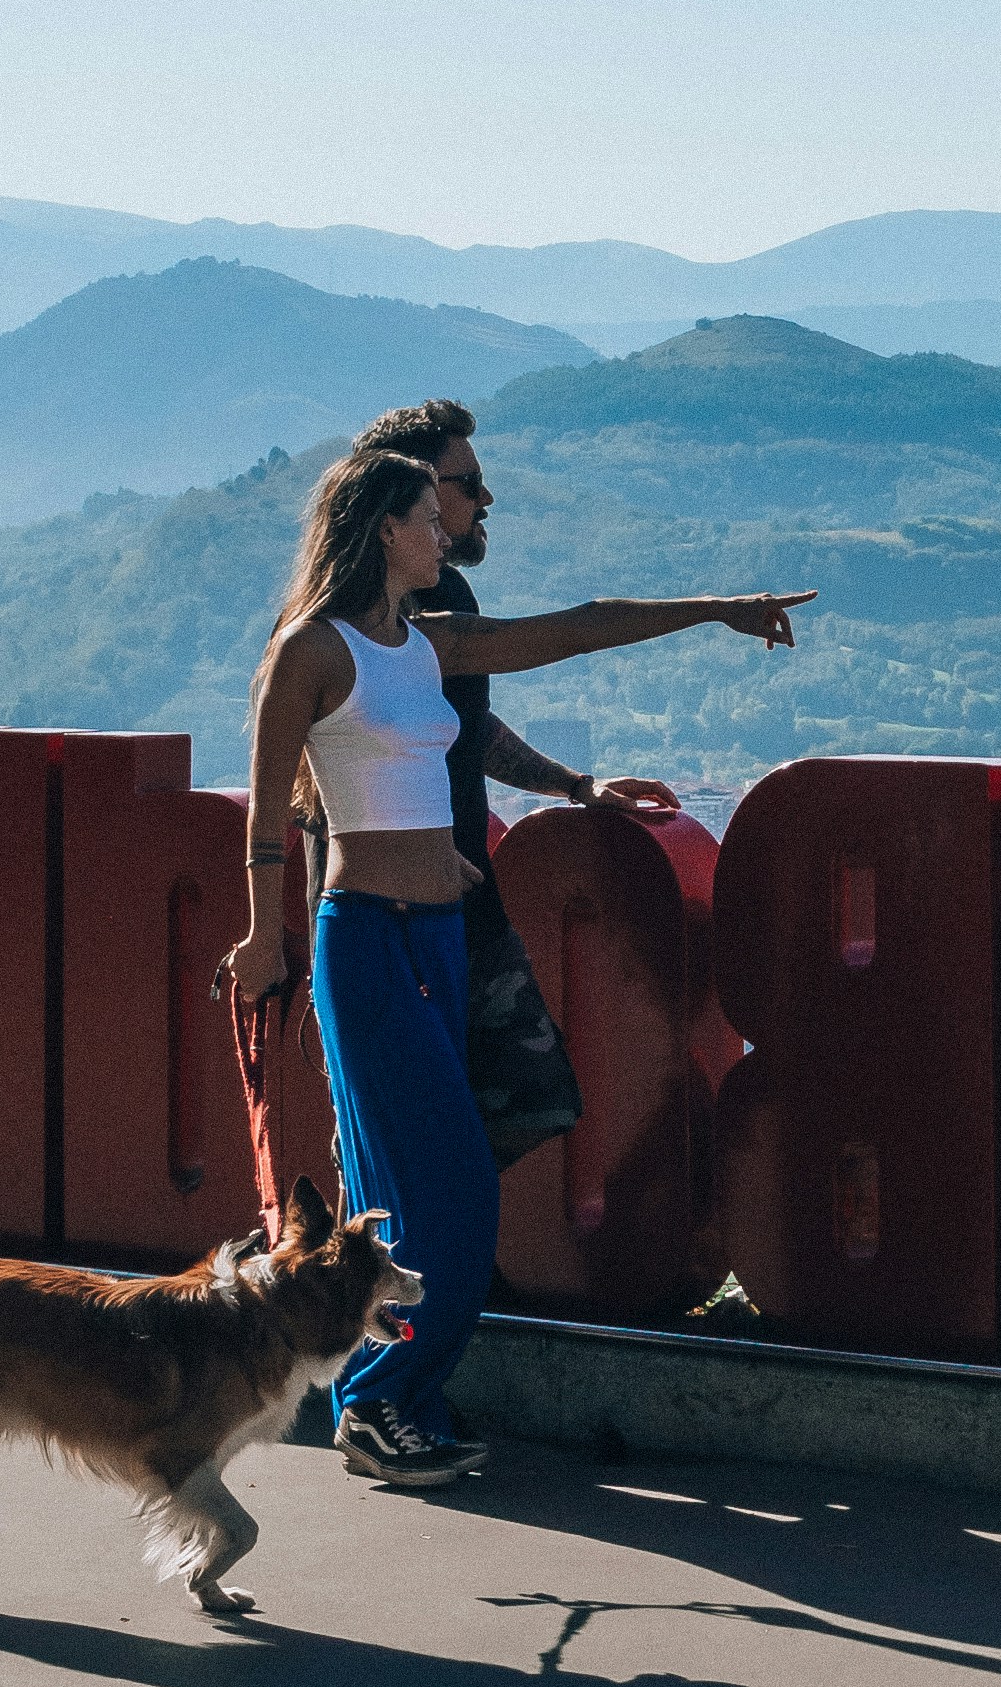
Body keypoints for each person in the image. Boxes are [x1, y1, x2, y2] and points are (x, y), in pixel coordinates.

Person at [230, 446, 807, 1494]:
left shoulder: (425, 645)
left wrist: (718, 608)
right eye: (422, 517)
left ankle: (394, 1400)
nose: (441, 532)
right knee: (445, 1192)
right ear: (377, 531)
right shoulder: (313, 651)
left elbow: (580, 625)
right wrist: (265, 938)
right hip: (362, 935)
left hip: (439, 939)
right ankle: (374, 1402)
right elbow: (267, 817)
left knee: (415, 1194)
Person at [345, 394, 739, 1165]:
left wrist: (572, 785)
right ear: (405, 502)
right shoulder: (354, 628)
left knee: (528, 1097)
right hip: (394, 909)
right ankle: (399, 1245)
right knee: (419, 1108)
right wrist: (717, 609)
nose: (485, 499)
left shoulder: (439, 600)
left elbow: (463, 725)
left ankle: (421, 1234)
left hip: (466, 896)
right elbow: (567, 631)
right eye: (465, 485)